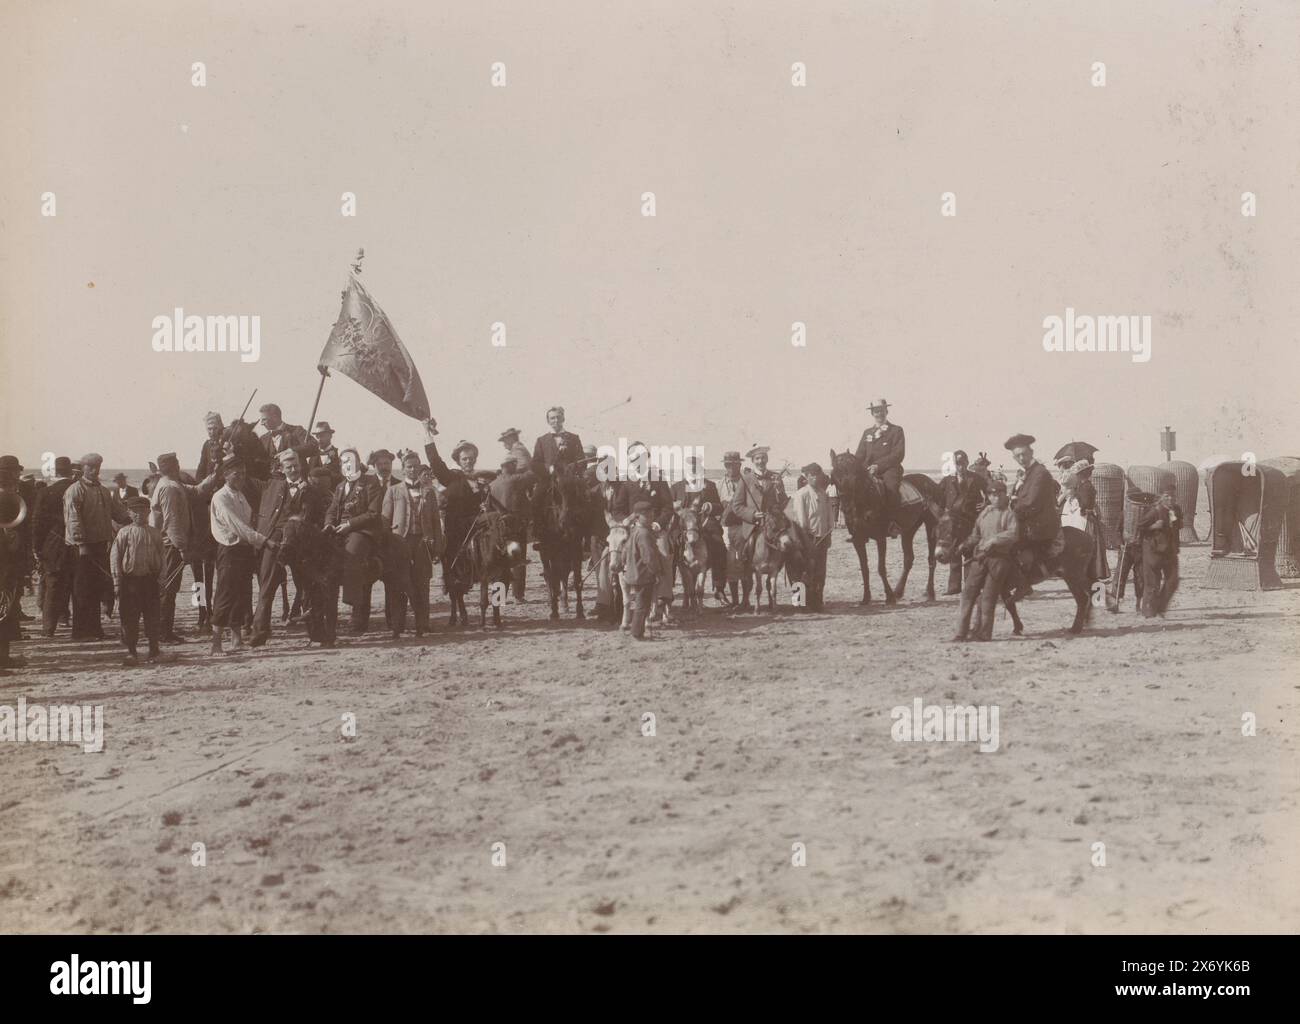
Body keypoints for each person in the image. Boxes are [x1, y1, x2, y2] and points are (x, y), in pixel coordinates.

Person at [250, 448, 329, 646]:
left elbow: (319, 517)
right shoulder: (271, 486)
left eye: (295, 466)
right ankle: (259, 633)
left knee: (309, 586)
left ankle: (317, 634)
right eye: (288, 467)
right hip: (276, 540)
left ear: (301, 466)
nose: (293, 469)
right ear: (282, 469)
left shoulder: (312, 490)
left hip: (302, 542)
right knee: (267, 585)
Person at [209, 455, 275, 655]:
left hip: (244, 550)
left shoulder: (240, 495)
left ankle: (236, 640)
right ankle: (216, 643)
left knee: (242, 595)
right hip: (229, 550)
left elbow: (249, 519)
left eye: (244, 474)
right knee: (225, 595)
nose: (241, 478)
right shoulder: (220, 498)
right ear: (226, 475)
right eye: (237, 474)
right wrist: (264, 540)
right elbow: (238, 526)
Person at [150, 451, 219, 644]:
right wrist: (182, 548)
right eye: (177, 463)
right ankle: (164, 632)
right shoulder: (170, 488)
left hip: (169, 544)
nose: (179, 465)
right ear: (172, 467)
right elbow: (172, 523)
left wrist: (216, 473)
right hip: (170, 545)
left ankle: (163, 630)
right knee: (169, 589)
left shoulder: (172, 484)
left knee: (169, 588)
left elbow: (197, 490)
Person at [64, 453, 131, 640]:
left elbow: (116, 512)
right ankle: (80, 631)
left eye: (97, 467)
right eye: (91, 467)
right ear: (83, 468)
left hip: (101, 546)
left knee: (96, 589)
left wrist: (131, 520)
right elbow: (73, 519)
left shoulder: (102, 491)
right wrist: (82, 544)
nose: (95, 471)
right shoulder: (75, 490)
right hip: (82, 548)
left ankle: (94, 629)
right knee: (82, 590)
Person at [324, 447, 386, 635]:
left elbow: (373, 513)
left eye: (351, 461)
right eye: (344, 462)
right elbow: (333, 510)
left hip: (362, 530)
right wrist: (328, 524)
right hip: (339, 530)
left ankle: (353, 605)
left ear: (359, 463)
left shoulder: (371, 482)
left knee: (352, 554)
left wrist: (350, 525)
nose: (347, 465)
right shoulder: (340, 486)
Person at [383, 451, 444, 637]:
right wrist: (387, 547)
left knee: (421, 584)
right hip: (399, 542)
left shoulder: (429, 492)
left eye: (415, 466)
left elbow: (435, 522)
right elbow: (385, 520)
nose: (412, 469)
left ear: (420, 468)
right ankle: (397, 626)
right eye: (408, 466)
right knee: (398, 584)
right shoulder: (393, 490)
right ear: (402, 470)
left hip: (422, 542)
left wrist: (437, 548)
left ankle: (422, 625)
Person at [953, 478, 1020, 642]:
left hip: (999, 560)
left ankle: (984, 634)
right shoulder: (985, 512)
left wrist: (994, 540)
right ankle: (961, 633)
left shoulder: (1009, 514)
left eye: (998, 494)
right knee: (968, 594)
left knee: (988, 598)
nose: (995, 497)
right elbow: (976, 534)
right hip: (980, 558)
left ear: (1005, 495)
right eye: (991, 494)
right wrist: (965, 544)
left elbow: (1013, 534)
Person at [110, 495, 166, 665]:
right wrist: (117, 581)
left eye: (143, 511)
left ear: (149, 512)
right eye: (135, 512)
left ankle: (154, 649)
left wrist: (161, 579)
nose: (139, 515)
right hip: (130, 582)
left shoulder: (155, 533)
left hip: (150, 581)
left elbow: (162, 558)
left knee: (153, 617)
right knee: (129, 618)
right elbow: (115, 557)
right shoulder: (124, 532)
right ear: (129, 512)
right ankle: (131, 652)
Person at [1005, 434, 1060, 599]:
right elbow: (1017, 499)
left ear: (1031, 452)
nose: (1021, 458)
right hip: (1029, 521)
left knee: (1007, 544)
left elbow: (1030, 502)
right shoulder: (1026, 474)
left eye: (1024, 454)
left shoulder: (1039, 473)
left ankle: (1023, 584)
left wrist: (1008, 514)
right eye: (1017, 456)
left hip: (1041, 524)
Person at [670, 454, 726, 602]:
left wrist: (710, 506)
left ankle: (719, 587)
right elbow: (668, 510)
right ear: (685, 469)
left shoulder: (709, 486)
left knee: (719, 545)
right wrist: (673, 507)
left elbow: (719, 507)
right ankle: (668, 587)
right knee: (670, 547)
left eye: (696, 468)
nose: (693, 471)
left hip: (704, 524)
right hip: (682, 527)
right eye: (690, 468)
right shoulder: (676, 488)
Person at [34, 455, 76, 636]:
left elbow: (37, 523)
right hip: (77, 542)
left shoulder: (46, 492)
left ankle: (48, 628)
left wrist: (37, 547)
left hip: (53, 543)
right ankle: (75, 624)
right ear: (70, 471)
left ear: (55, 472)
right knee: (76, 584)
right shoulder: (77, 489)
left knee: (52, 584)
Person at [785, 463, 833, 611]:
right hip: (805, 539)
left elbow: (829, 516)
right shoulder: (801, 494)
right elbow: (801, 520)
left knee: (819, 572)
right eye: (812, 475)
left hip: (822, 538)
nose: (815, 477)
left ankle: (817, 602)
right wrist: (806, 540)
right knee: (800, 572)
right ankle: (798, 603)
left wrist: (828, 533)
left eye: (817, 474)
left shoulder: (823, 494)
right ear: (806, 477)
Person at [854, 399, 905, 535]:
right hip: (868, 470)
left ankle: (893, 523)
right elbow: (859, 455)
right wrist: (858, 467)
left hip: (889, 469)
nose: (879, 413)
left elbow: (898, 454)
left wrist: (877, 466)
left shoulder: (896, 430)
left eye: (881, 410)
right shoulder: (867, 433)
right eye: (876, 411)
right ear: (872, 413)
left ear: (886, 411)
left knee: (891, 487)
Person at [939, 449, 986, 595]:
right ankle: (954, 587)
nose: (961, 466)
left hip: (971, 521)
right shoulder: (947, 480)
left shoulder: (976, 478)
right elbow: (938, 498)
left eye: (963, 463)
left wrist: (986, 504)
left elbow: (991, 491)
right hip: (953, 523)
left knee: (970, 553)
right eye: (958, 463)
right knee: (954, 553)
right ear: (954, 464)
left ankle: (970, 586)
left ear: (967, 462)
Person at [1136, 485, 1181, 618]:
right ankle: (1148, 612)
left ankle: (1160, 607)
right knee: (1152, 583)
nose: (1170, 498)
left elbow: (1178, 527)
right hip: (1153, 551)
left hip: (1170, 551)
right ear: (1161, 497)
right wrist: (1153, 526)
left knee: (1173, 580)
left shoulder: (1176, 510)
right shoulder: (1154, 511)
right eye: (1167, 496)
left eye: (1172, 495)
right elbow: (1139, 526)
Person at [623, 501, 662, 639]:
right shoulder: (644, 533)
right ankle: (637, 633)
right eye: (647, 515)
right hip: (644, 574)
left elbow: (625, 552)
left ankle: (637, 631)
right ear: (638, 517)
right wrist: (656, 572)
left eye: (652, 514)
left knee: (641, 603)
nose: (651, 517)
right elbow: (648, 556)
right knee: (642, 605)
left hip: (635, 573)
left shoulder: (634, 531)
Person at [716, 451, 745, 606]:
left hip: (743, 526)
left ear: (740, 465)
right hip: (726, 527)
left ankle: (745, 600)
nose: (731, 468)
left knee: (743, 561)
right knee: (730, 562)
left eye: (734, 465)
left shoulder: (746, 482)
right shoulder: (719, 484)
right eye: (728, 465)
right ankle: (734, 600)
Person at [258, 404, 309, 472]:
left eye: (264, 419)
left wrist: (290, 451)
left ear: (275, 417)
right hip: (272, 481)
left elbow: (313, 445)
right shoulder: (263, 439)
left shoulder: (296, 431)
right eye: (261, 420)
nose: (261, 423)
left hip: (297, 478)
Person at [308, 421, 343, 488]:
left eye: (322, 436)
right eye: (317, 437)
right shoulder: (312, 457)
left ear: (330, 436)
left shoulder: (338, 454)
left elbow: (341, 476)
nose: (319, 440)